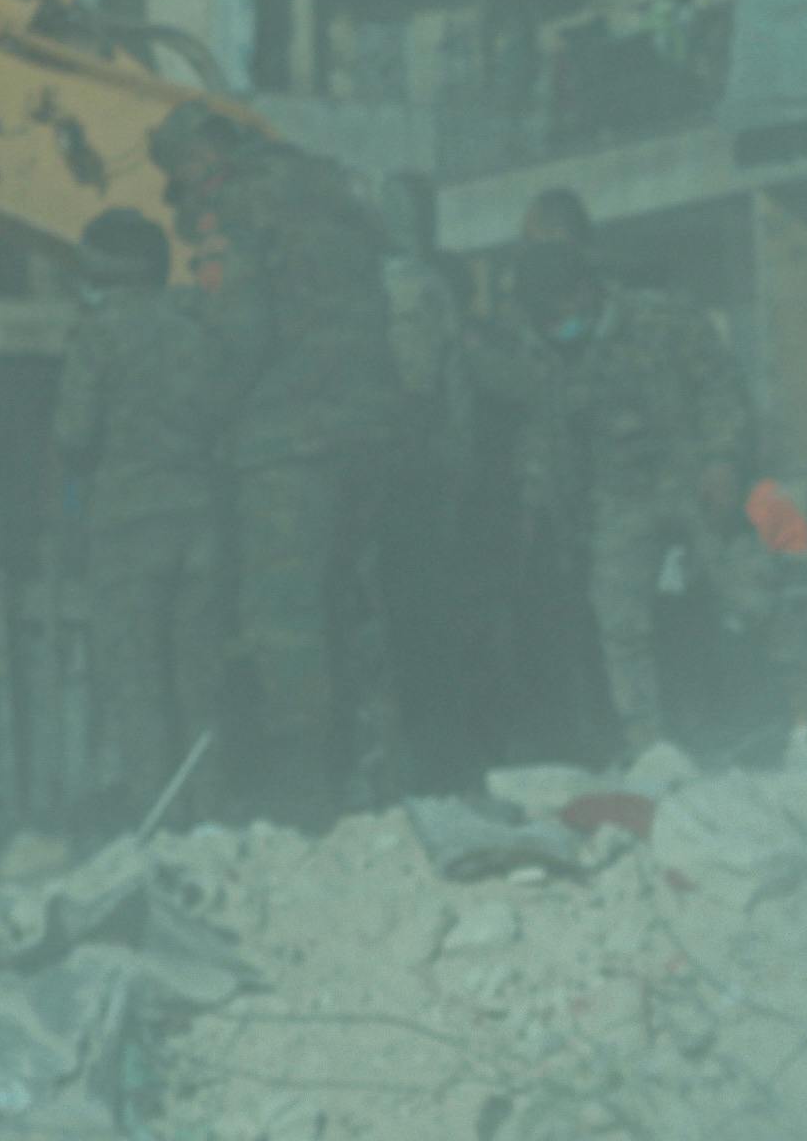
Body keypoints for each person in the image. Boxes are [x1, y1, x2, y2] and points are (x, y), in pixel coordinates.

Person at [148, 104, 401, 826]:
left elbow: (243, 331)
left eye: (180, 179)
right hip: (372, 427)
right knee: (357, 607)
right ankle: (383, 778)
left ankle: (303, 793)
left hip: (290, 439)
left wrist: (197, 418)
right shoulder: (330, 199)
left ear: (198, 164)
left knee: (283, 618)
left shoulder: (233, 213)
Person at [461, 194, 757, 759]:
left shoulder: (662, 318)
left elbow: (721, 388)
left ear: (583, 290)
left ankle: (803, 707)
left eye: (558, 312)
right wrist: (542, 507)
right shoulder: (545, 350)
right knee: (619, 622)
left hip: (693, 476)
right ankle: (649, 744)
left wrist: (723, 459)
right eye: (542, 319)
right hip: (619, 498)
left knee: (749, 591)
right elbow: (546, 438)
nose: (554, 327)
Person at [52, 208, 233, 829]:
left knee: (139, 685)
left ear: (101, 271)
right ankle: (210, 819)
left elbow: (73, 436)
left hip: (129, 527)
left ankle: (160, 828)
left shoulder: (97, 334)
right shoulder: (197, 327)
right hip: (202, 519)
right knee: (198, 683)